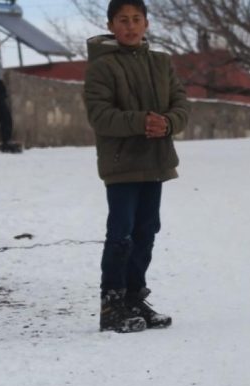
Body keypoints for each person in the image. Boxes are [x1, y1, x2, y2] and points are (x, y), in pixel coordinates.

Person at [83, 0, 190, 333]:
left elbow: (181, 104)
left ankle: (133, 297)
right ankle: (111, 304)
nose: (130, 26)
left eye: (136, 19)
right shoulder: (102, 67)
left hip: (154, 162)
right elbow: (100, 115)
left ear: (146, 24)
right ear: (111, 25)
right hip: (122, 165)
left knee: (146, 233)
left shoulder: (161, 63)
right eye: (122, 20)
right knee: (121, 234)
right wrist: (141, 121)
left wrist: (168, 123)